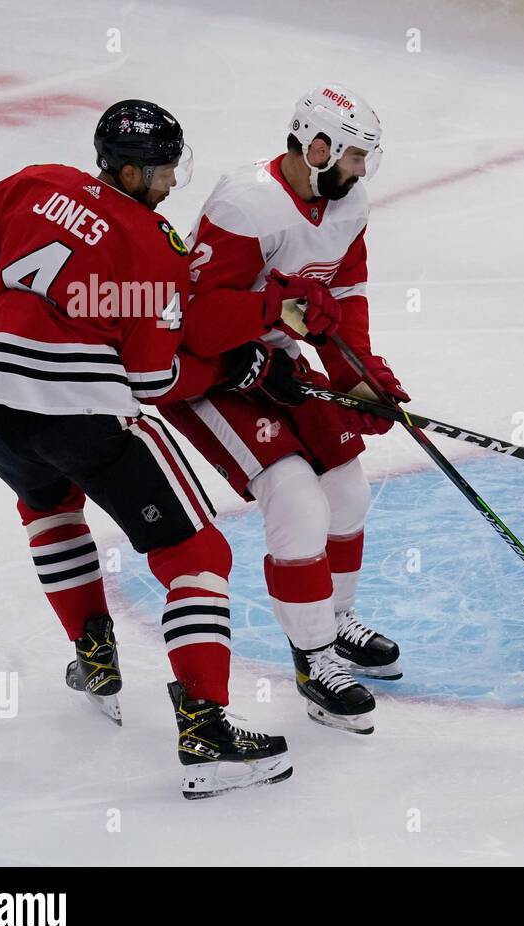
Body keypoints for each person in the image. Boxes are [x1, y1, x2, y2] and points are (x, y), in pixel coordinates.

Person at [0, 99, 291, 798]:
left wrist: (29, 302)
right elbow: (153, 378)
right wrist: (230, 368)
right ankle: (206, 730)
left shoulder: (38, 182)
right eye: (164, 171)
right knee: (197, 555)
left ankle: (94, 657)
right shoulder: (155, 244)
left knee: (48, 505)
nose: (170, 183)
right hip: (82, 415)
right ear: (131, 171)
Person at [160, 85, 406, 735]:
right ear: (316, 146)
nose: (359, 171)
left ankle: (336, 621)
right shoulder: (247, 203)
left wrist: (359, 379)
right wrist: (277, 309)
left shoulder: (348, 206)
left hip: (272, 359)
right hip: (206, 373)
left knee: (348, 491)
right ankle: (314, 658)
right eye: (353, 156)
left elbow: (344, 299)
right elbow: (197, 321)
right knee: (296, 498)